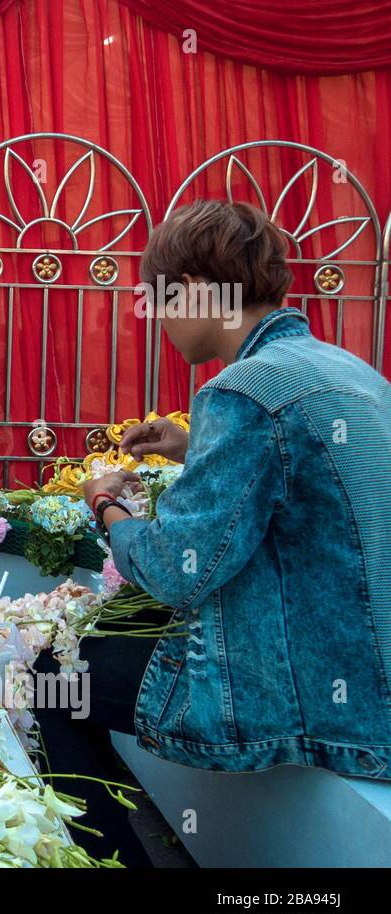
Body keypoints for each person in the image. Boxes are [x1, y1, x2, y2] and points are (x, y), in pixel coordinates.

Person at [43, 200, 391, 865]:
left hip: (314, 694)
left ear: (197, 290)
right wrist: (191, 447)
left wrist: (107, 505)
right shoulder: (352, 372)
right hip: (367, 675)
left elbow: (175, 568)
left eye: (160, 300)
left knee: (51, 679)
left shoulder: (245, 389)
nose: (159, 320)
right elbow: (303, 484)